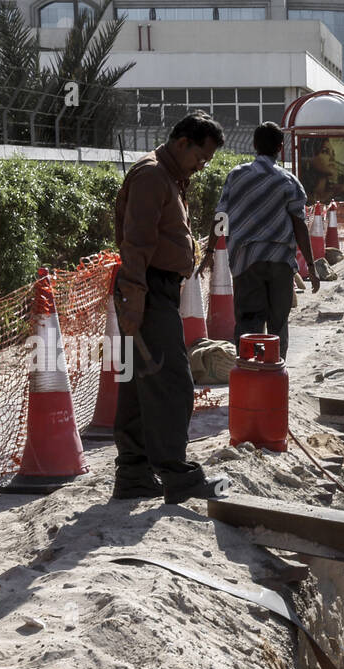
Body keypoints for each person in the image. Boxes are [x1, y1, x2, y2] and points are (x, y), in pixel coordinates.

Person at [112, 111, 231, 504]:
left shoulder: (168, 176)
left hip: (149, 291)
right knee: (172, 385)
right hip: (147, 292)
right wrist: (134, 299)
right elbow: (137, 243)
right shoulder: (151, 176)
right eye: (202, 157)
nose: (203, 166)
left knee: (137, 385)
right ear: (183, 143)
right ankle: (176, 476)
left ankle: (134, 475)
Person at [201, 122, 320, 358]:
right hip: (281, 263)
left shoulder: (236, 176)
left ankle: (250, 370)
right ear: (279, 148)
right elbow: (299, 225)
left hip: (247, 261)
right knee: (278, 324)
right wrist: (312, 266)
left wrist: (210, 251)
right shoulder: (289, 181)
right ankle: (274, 374)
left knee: (248, 323)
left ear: (254, 145)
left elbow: (221, 215)